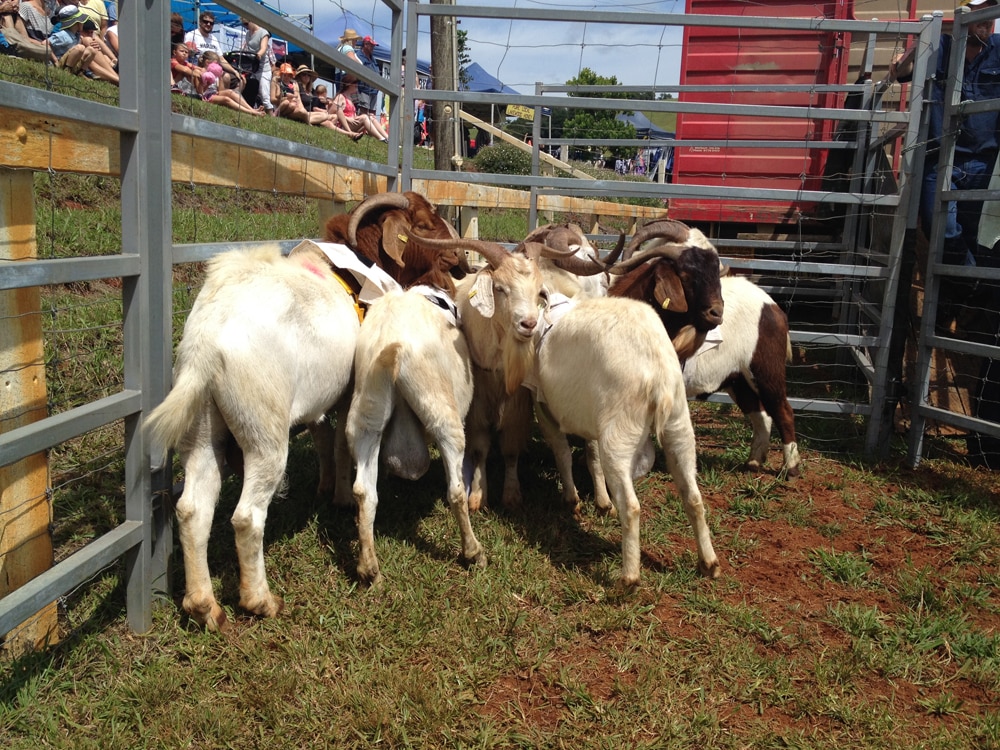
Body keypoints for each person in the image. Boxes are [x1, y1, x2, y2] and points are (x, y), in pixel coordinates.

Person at [891, 0, 1000, 268]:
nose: (987, 17)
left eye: (991, 9)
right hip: (940, 161)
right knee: (939, 229)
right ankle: (973, 282)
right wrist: (905, 58)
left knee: (978, 235)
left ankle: (964, 296)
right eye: (980, 9)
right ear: (962, 13)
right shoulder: (941, 48)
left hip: (985, 164)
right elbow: (902, 73)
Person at [49, 5, 117, 82]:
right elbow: (45, 43)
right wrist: (55, 61)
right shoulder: (63, 34)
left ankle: (80, 72)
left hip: (73, 61)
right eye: (81, 21)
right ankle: (67, 70)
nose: (83, 23)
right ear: (76, 23)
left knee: (91, 50)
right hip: (61, 62)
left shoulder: (77, 35)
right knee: (80, 48)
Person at [271, 61, 338, 129]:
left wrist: (326, 101)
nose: (306, 76)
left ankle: (307, 120)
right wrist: (286, 98)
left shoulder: (311, 90)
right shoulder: (291, 84)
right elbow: (273, 99)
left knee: (326, 116)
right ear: (299, 76)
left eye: (308, 74)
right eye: (304, 74)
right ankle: (308, 121)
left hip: (305, 111)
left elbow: (300, 100)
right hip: (292, 108)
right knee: (301, 111)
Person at [185, 11, 240, 90]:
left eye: (211, 23)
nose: (208, 24)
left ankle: (221, 99)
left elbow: (221, 59)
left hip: (215, 71)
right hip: (198, 69)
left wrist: (234, 71)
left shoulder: (214, 38)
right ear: (200, 22)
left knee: (232, 78)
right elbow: (185, 54)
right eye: (206, 22)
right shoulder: (191, 35)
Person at [198, 51, 264, 116]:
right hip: (206, 96)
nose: (217, 66)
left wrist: (220, 77)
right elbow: (200, 91)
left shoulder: (216, 73)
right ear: (207, 62)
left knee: (230, 92)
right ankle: (250, 112)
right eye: (216, 64)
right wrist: (207, 83)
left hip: (214, 93)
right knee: (226, 99)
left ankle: (252, 109)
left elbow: (221, 91)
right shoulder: (201, 72)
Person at [333, 74, 389, 141]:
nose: (357, 85)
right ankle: (381, 138)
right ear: (349, 84)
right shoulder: (340, 97)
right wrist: (348, 118)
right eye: (355, 83)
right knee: (365, 117)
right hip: (344, 126)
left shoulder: (351, 98)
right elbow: (334, 113)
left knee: (371, 117)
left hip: (353, 124)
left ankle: (387, 138)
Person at [241, 16, 273, 114]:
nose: (245, 26)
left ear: (252, 20)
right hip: (252, 68)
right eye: (243, 25)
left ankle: (272, 119)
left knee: (265, 96)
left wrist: (258, 55)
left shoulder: (263, 32)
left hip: (263, 69)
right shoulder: (247, 34)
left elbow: (263, 48)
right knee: (250, 91)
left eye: (246, 24)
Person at [355, 34, 381, 117]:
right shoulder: (358, 56)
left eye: (373, 46)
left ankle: (369, 130)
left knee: (372, 113)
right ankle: (361, 130)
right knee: (363, 111)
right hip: (364, 89)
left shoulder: (372, 58)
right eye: (371, 45)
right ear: (365, 45)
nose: (373, 48)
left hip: (374, 90)